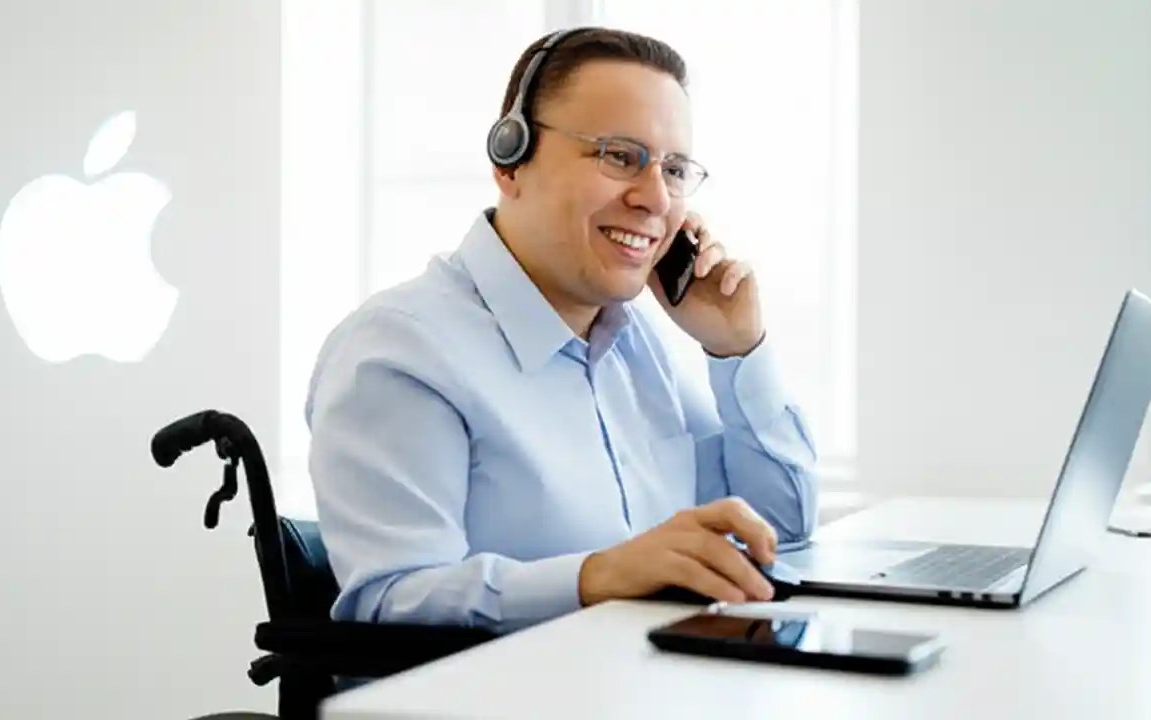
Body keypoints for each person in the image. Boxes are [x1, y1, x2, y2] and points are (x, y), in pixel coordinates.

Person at [305, 27, 819, 635]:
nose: (656, 199)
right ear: (510, 159)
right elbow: (389, 601)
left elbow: (781, 531)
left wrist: (736, 350)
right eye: (620, 156)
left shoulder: (634, 346)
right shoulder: (399, 350)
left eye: (674, 168)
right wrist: (595, 577)